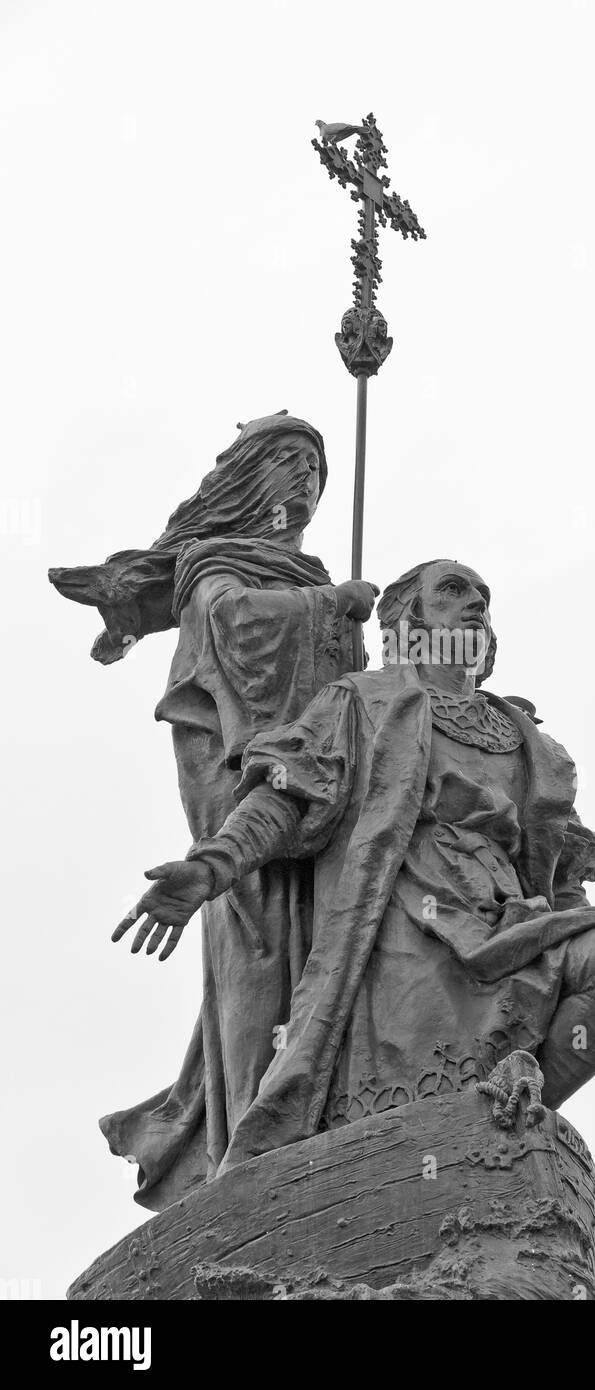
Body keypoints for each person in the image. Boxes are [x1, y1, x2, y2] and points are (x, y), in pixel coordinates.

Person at [115, 558, 595, 1197]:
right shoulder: (364, 699)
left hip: (508, 926)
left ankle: (493, 1126)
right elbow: (286, 797)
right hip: (404, 921)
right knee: (399, 1104)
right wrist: (209, 869)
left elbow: (563, 888)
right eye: (453, 590)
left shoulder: (528, 742)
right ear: (410, 618)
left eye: (484, 593)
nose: (475, 601)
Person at [50, 411, 378, 1208]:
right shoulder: (215, 560)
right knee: (257, 930)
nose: (306, 480)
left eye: (319, 470)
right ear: (249, 478)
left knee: (332, 935)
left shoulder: (311, 573)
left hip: (319, 776)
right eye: (291, 462)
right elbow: (230, 624)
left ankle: (317, 1117)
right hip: (236, 760)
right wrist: (330, 606)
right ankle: (244, 1145)